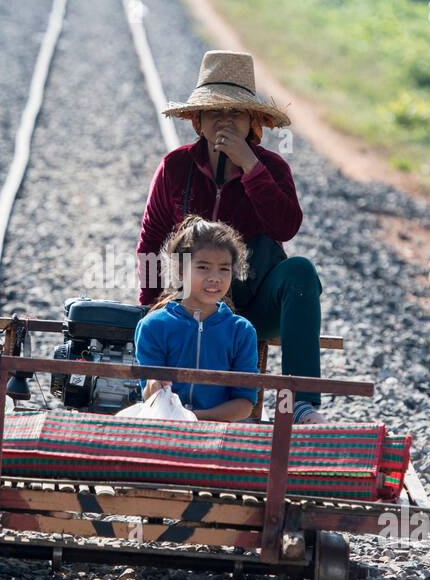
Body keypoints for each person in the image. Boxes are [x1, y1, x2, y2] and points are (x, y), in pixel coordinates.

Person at [136, 49, 323, 424]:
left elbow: (286, 227)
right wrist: (149, 307)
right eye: (215, 112)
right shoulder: (175, 167)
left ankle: (301, 404)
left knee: (301, 273)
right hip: (191, 303)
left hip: (253, 306)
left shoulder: (272, 167)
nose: (225, 121)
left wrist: (250, 166)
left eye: (235, 112)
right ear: (198, 120)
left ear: (252, 122)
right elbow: (152, 240)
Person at [134, 215, 258, 423]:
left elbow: (244, 403)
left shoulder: (241, 331)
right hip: (165, 425)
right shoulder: (153, 326)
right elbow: (150, 395)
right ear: (180, 271)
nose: (215, 277)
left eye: (224, 269)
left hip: (220, 430)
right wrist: (155, 386)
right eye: (203, 267)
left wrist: (194, 419)